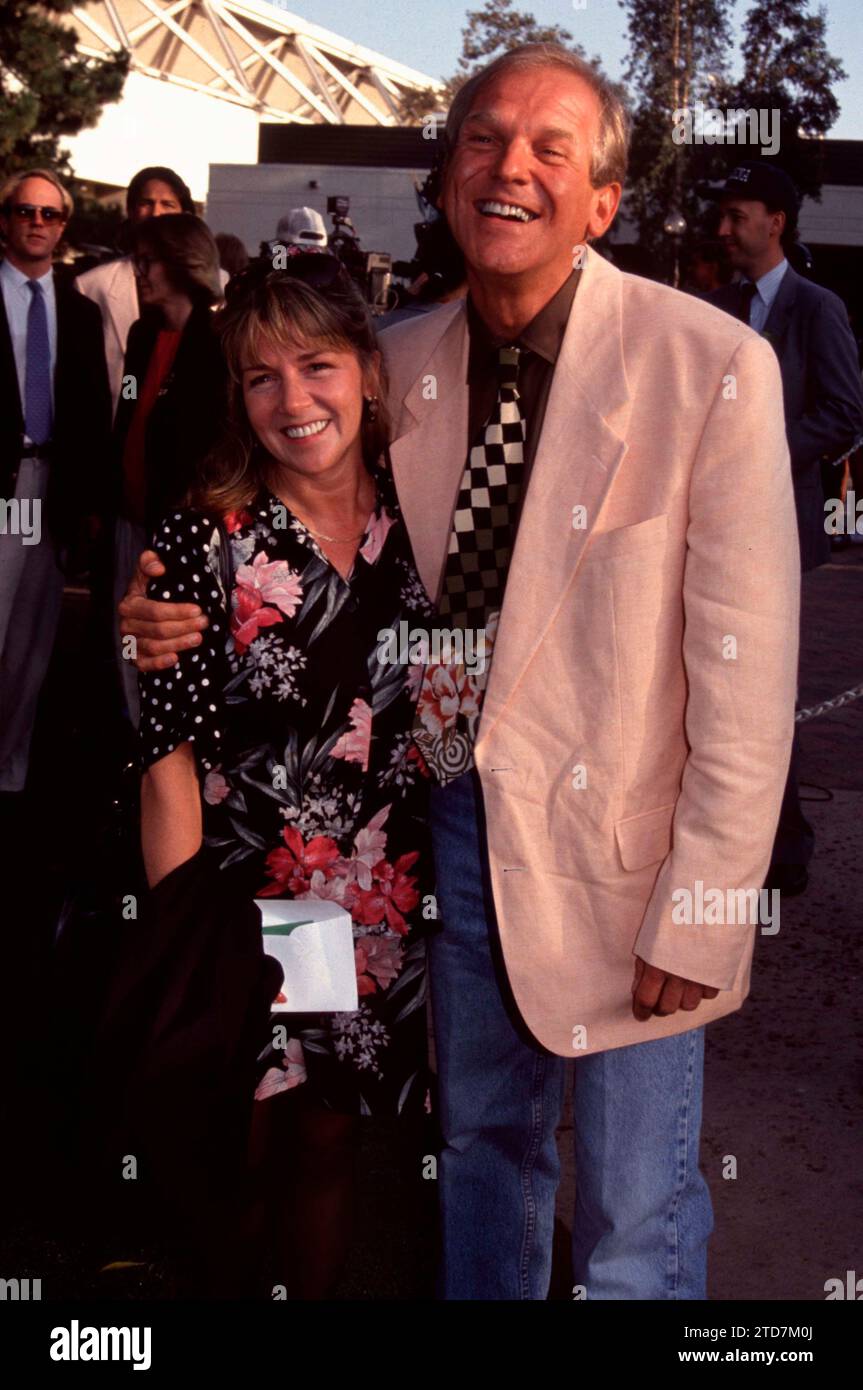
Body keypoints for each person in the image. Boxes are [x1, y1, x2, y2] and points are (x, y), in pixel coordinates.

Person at [120, 43, 800, 1301]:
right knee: (480, 1163)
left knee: (630, 1216)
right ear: (445, 180)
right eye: (483, 139)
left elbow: (747, 672)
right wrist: (163, 606)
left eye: (550, 149)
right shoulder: (397, 359)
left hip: (629, 860)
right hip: (451, 837)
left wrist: (704, 902)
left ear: (603, 202)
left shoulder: (707, 367)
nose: (509, 168)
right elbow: (293, 493)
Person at [134, 248, 433, 1297]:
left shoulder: (424, 522)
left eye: (316, 366)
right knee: (243, 1148)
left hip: (382, 900)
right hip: (247, 902)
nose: (293, 401)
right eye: (261, 377)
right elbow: (166, 754)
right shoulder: (201, 539)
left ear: (367, 370)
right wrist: (181, 944)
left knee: (330, 1143)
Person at [704, 161, 863, 895]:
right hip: (711, 531)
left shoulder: (816, 308)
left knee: (764, 689)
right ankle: (735, 840)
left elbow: (843, 414)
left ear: (775, 223)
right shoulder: (714, 309)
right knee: (720, 685)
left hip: (777, 531)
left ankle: (784, 846)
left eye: (736, 217)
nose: (722, 230)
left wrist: (758, 450)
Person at [0, 168, 111, 796]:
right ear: (5, 220)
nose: (37, 223)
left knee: (31, 638)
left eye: (50, 214)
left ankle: (8, 769)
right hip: (6, 485)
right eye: (25, 211)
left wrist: (90, 502)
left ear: (63, 225)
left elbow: (93, 409)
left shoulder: (80, 311)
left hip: (54, 486)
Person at [111, 212, 226, 726]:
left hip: (179, 530)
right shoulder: (142, 335)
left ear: (183, 262)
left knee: (169, 657)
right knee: (127, 645)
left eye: (148, 261)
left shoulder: (217, 341)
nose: (138, 272)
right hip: (129, 518)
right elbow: (128, 411)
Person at [74, 167, 196, 416]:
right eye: (146, 203)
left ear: (185, 214)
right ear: (130, 211)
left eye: (167, 204)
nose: (156, 213)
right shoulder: (92, 286)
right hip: (119, 423)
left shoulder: (217, 285)